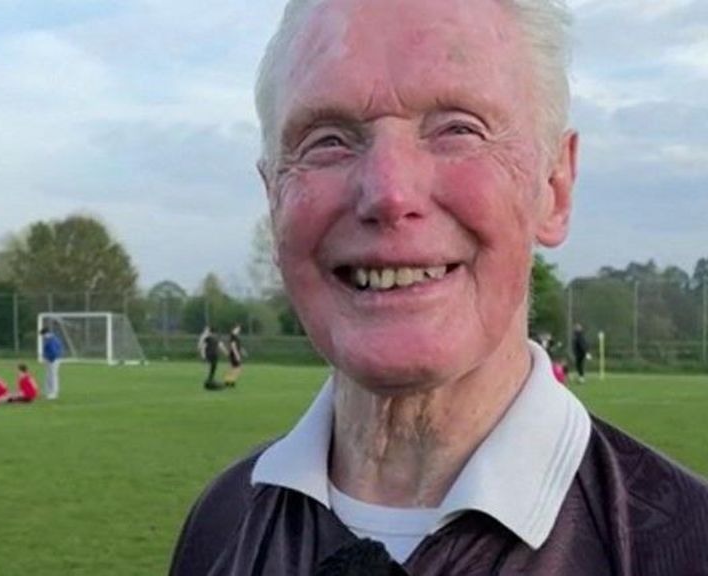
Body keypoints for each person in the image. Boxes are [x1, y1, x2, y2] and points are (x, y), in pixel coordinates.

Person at [171, 1, 708, 574]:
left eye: (458, 128)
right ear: (273, 195)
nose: (389, 192)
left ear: (555, 186)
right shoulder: (222, 524)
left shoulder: (684, 545)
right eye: (328, 139)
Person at [198, 326, 225, 390]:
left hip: (214, 354)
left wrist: (225, 352)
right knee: (211, 367)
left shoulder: (214, 337)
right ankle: (209, 381)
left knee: (213, 367)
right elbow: (202, 346)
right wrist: (203, 355)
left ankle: (210, 380)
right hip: (210, 354)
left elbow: (220, 345)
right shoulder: (206, 337)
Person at [39, 327, 63, 400]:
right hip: (52, 359)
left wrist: (48, 357)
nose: (43, 337)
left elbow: (54, 352)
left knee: (53, 376)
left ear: (46, 333)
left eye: (43, 335)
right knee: (48, 375)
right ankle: (48, 391)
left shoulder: (51, 340)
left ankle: (54, 393)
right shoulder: (53, 339)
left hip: (53, 360)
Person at [223, 323, 244, 388]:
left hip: (233, 354)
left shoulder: (235, 336)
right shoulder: (233, 336)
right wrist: (237, 355)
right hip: (233, 354)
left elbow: (238, 345)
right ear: (234, 329)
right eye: (238, 329)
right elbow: (233, 346)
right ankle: (231, 381)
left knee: (233, 368)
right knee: (238, 369)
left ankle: (228, 381)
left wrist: (242, 351)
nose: (239, 330)